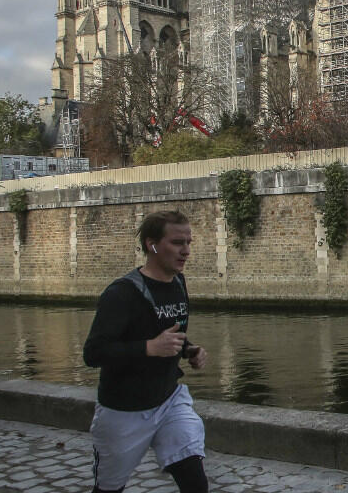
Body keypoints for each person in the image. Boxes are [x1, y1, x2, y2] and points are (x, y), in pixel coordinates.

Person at [83, 210, 209, 493]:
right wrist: (149, 348)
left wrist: (189, 349)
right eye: (177, 243)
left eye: (189, 242)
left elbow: (169, 331)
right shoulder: (122, 294)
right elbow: (93, 353)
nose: (186, 251)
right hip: (124, 410)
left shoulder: (178, 282)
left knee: (195, 481)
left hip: (168, 399)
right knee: (108, 488)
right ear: (152, 245)